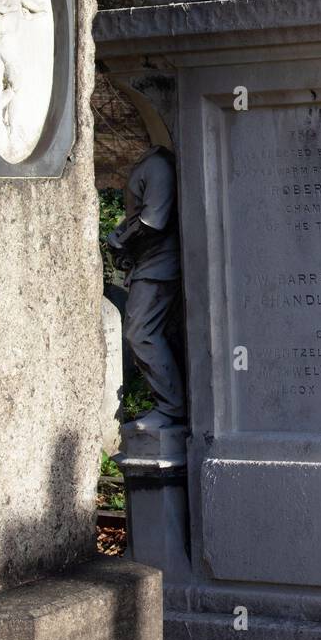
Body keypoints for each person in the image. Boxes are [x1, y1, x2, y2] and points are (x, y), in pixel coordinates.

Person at [107, 145, 186, 430]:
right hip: (149, 263)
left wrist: (123, 240)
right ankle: (168, 405)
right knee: (149, 332)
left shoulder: (158, 164)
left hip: (160, 265)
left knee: (140, 332)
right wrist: (121, 233)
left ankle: (170, 407)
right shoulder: (149, 162)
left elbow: (153, 221)